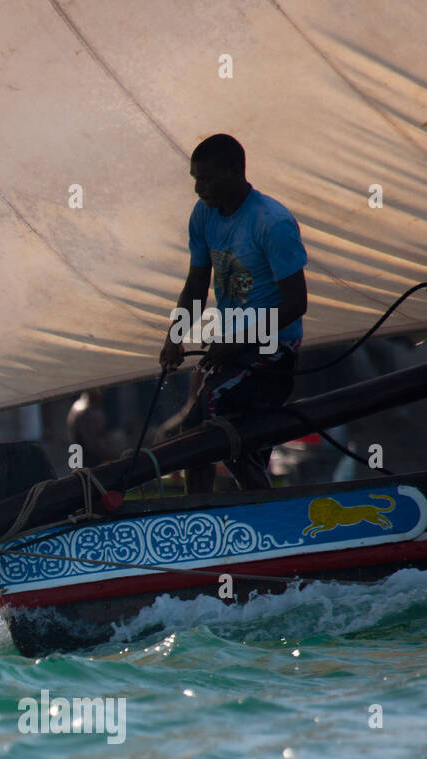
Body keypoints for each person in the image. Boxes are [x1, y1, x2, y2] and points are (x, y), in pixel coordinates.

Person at [159, 133, 307, 492]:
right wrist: (174, 337)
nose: (198, 189)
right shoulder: (203, 216)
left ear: (234, 172)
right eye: (195, 178)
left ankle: (226, 519)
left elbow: (296, 303)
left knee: (205, 425)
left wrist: (237, 343)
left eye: (206, 179)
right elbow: (196, 286)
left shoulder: (272, 222)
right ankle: (212, 522)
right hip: (236, 352)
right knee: (219, 444)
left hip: (273, 353)